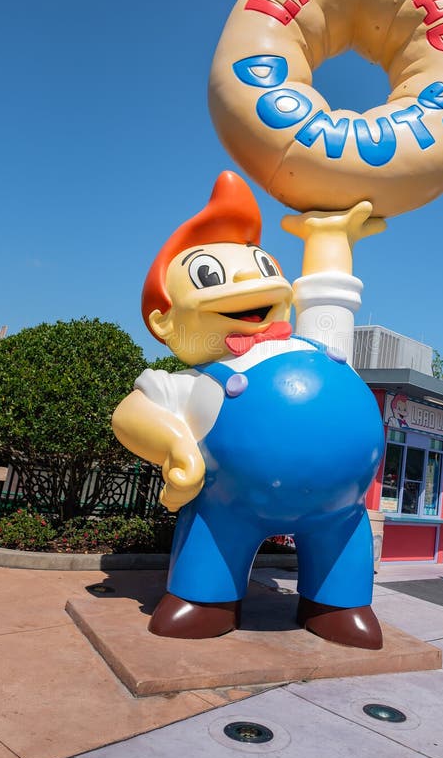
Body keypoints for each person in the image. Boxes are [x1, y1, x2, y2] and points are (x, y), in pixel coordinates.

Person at [113, 170, 387, 649]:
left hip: (340, 508)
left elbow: (328, 298)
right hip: (229, 504)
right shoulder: (192, 380)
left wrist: (329, 238)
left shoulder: (308, 341)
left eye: (261, 266)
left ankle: (338, 601)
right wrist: (177, 446)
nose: (247, 278)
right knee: (215, 536)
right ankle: (205, 598)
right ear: (164, 319)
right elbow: (132, 413)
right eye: (211, 275)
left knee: (341, 547)